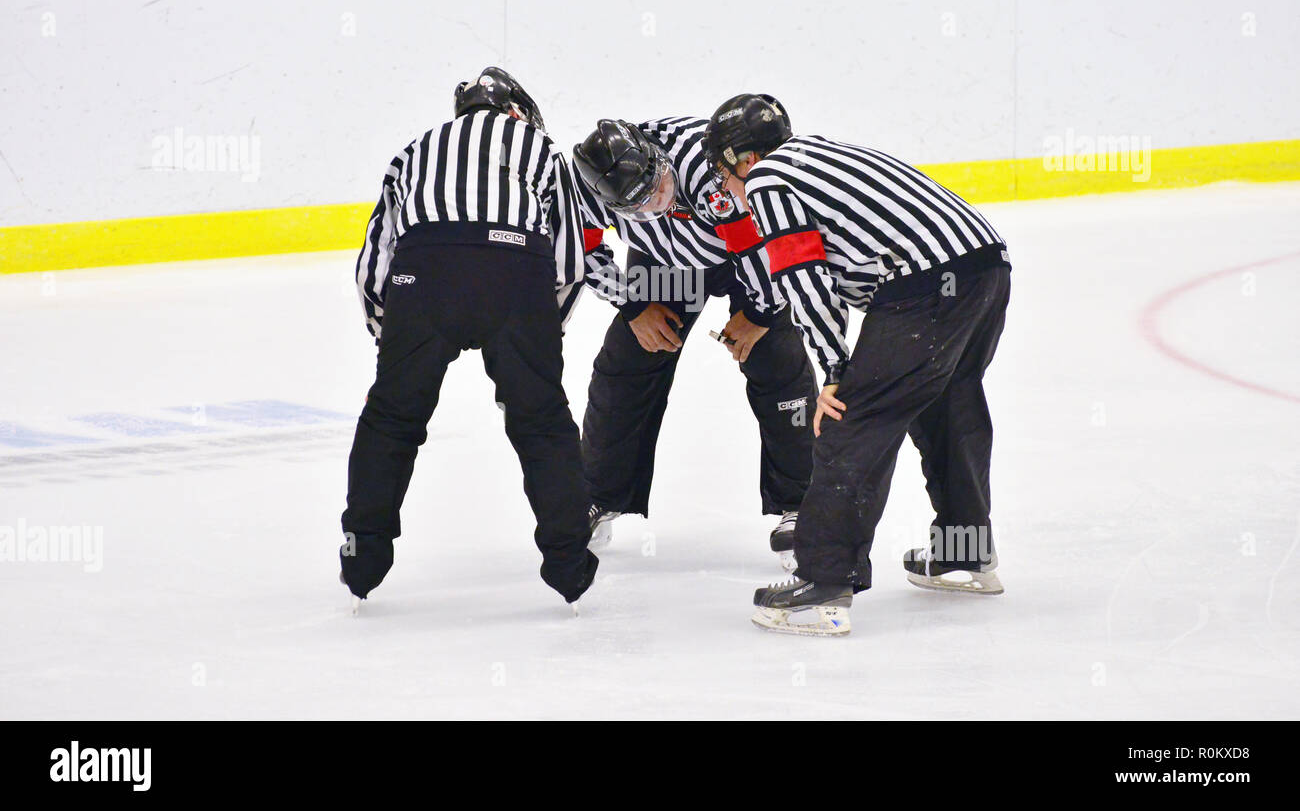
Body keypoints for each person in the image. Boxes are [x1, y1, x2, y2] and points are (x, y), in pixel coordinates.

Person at [703, 94, 1011, 637]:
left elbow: (804, 279)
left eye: (724, 172)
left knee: (853, 421)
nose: (728, 188)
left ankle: (823, 582)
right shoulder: (817, 153)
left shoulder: (768, 181)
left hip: (924, 287)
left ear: (741, 159)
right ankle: (965, 552)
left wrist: (835, 372)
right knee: (947, 404)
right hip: (985, 266)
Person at [340, 67, 598, 611]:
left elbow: (374, 263)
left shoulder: (413, 150)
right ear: (516, 113)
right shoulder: (541, 148)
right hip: (515, 273)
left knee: (392, 416)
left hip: (423, 273)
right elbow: (570, 261)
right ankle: (569, 562)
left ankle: (363, 555)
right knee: (541, 419)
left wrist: (392, 337)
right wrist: (540, 337)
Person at [570, 117, 817, 567]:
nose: (658, 203)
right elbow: (580, 249)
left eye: (659, 186)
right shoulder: (583, 192)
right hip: (669, 262)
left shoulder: (709, 167)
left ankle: (803, 507)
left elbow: (765, 248)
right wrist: (631, 306)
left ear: (659, 158)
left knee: (775, 358)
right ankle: (597, 495)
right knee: (626, 362)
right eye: (638, 206)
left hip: (744, 249)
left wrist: (759, 314)